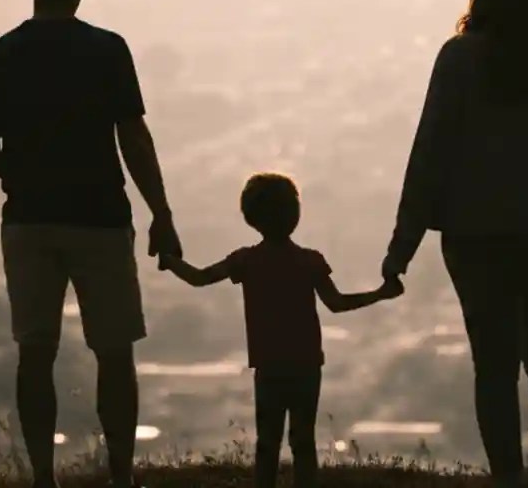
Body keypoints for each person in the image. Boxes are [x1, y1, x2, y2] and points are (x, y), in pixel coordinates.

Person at [381, 0, 528, 488]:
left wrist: (402, 246)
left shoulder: (459, 59)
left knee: (494, 365)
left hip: (477, 233)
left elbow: (429, 152)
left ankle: (508, 477)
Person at [0, 0, 181, 488]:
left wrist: (28, 173)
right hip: (101, 217)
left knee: (35, 352)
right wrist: (161, 210)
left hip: (28, 220)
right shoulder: (108, 50)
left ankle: (43, 476)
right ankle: (121, 475)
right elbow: (132, 137)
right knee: (114, 352)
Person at [160, 172, 404, 488]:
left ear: (251, 217)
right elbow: (338, 303)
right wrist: (381, 293)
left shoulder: (247, 260)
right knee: (303, 443)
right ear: (295, 215)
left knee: (267, 443)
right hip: (306, 364)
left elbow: (199, 278)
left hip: (269, 365)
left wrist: (170, 260)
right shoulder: (310, 261)